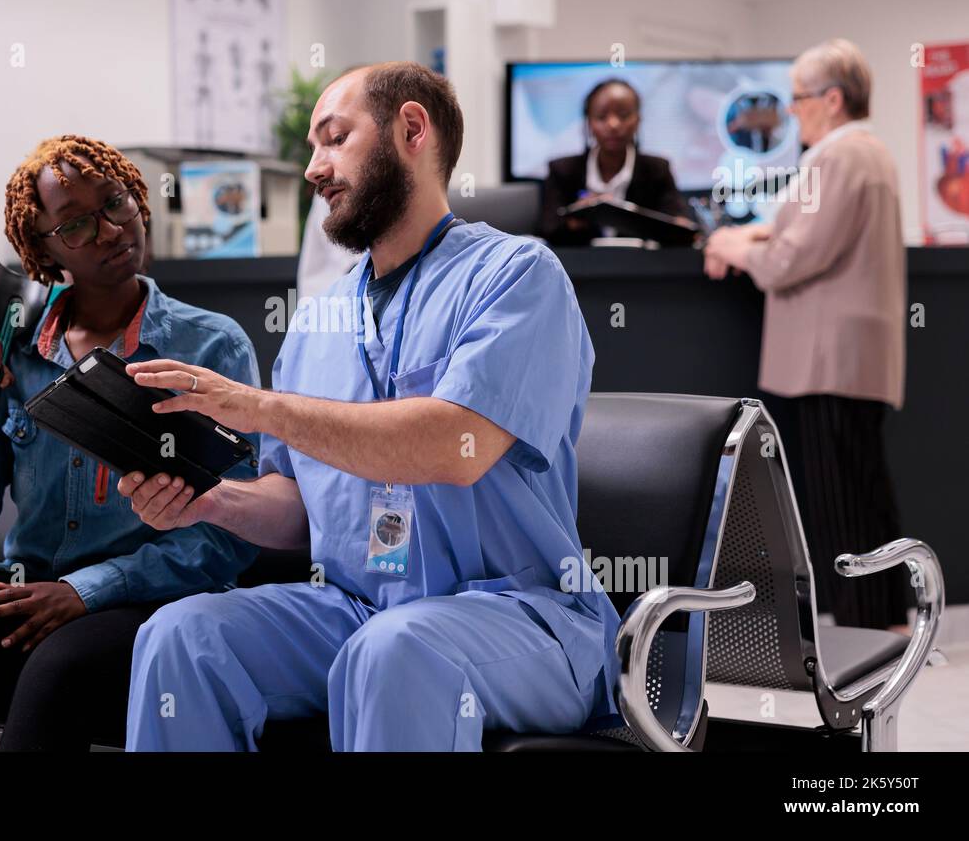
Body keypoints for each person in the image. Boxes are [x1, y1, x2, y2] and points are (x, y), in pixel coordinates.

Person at [117, 62, 620, 751]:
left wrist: (261, 408)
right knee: (183, 638)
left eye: (334, 139)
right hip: (360, 608)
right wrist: (207, 503)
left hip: (519, 617)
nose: (313, 169)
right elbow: (297, 506)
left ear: (411, 129)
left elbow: (453, 446)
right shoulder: (320, 319)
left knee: (396, 649)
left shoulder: (518, 277)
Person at [0, 135, 262, 750]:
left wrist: (84, 591)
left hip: (154, 598)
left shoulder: (211, 346)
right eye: (75, 226)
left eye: (115, 203)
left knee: (61, 667)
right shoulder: (16, 349)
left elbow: (229, 539)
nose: (111, 231)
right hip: (31, 584)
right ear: (39, 250)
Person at [703, 39, 910, 632]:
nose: (790, 110)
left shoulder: (836, 158)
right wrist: (753, 240)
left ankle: (863, 626)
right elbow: (799, 233)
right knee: (863, 489)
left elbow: (794, 258)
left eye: (797, 98)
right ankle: (882, 617)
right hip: (852, 356)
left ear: (833, 99)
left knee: (839, 495)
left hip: (829, 358)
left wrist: (731, 246)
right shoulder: (869, 155)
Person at [541, 78, 688, 245]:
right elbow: (548, 229)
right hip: (579, 268)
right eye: (602, 117)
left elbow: (678, 227)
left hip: (641, 266)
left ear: (638, 120)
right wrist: (579, 217)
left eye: (624, 115)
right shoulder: (562, 170)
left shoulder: (657, 169)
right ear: (589, 121)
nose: (613, 124)